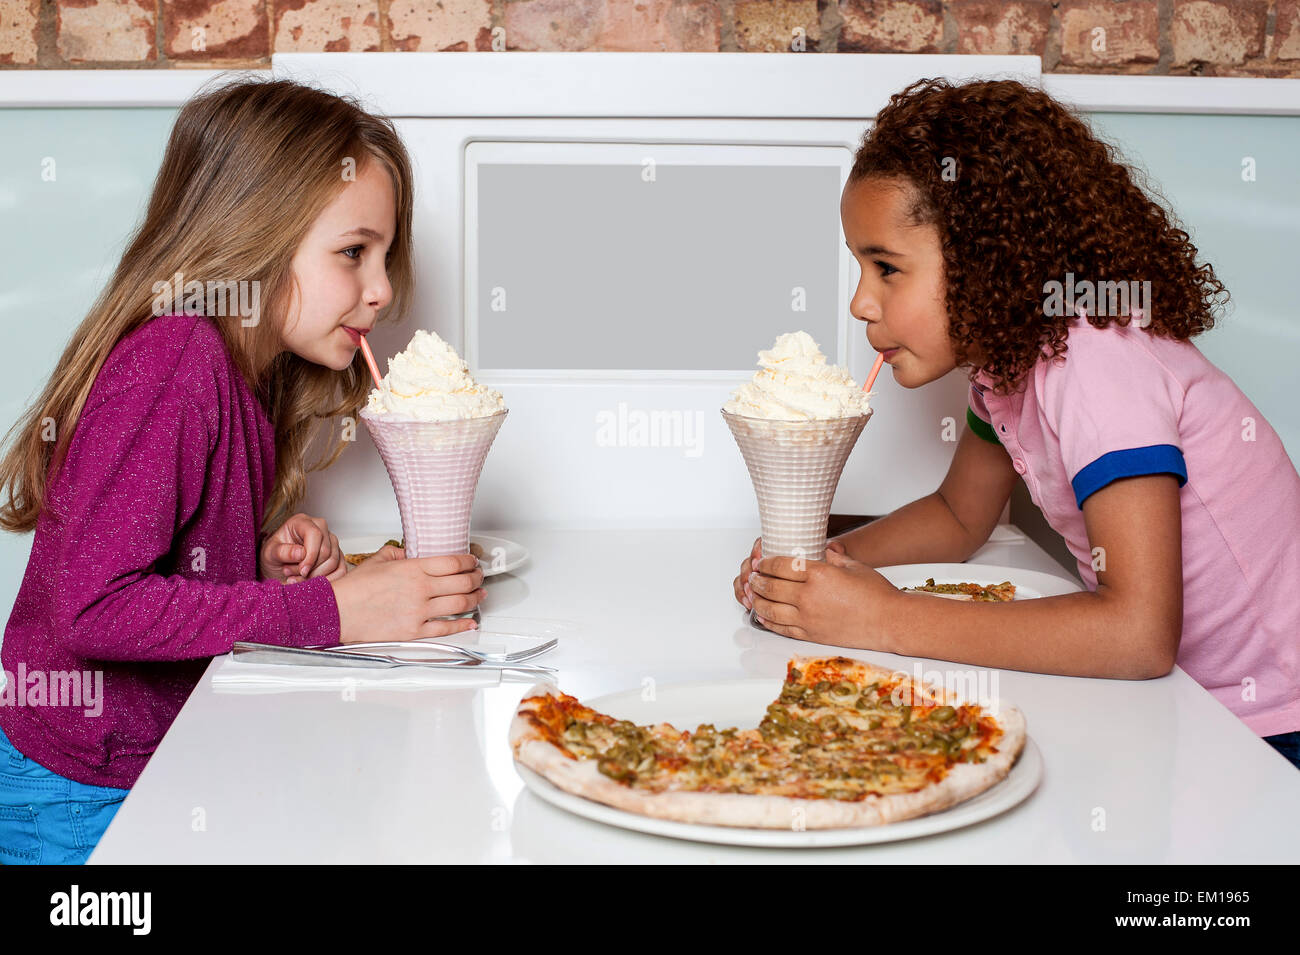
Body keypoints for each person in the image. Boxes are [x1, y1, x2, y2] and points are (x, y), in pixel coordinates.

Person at [734, 77, 1300, 769]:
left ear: (984, 257)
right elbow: (957, 514)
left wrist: (880, 618)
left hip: (1269, 725)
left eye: (886, 268)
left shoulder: (1097, 365)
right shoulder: (1003, 371)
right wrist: (823, 571)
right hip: (1187, 703)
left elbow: (1139, 634)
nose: (860, 302)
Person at [0, 76, 485, 863]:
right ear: (255, 233)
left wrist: (257, 560)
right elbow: (92, 608)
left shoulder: (237, 374)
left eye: (385, 255)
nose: (384, 288)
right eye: (354, 252)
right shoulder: (177, 361)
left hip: (147, 764)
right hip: (80, 789)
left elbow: (157, 558)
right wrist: (331, 613)